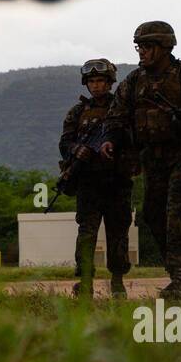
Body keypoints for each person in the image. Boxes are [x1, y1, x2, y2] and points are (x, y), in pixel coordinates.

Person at [102, 22, 181, 299]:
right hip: (152, 159)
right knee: (152, 214)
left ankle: (180, 279)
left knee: (177, 210)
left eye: (147, 47)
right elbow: (116, 115)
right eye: (139, 46)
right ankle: (175, 276)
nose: (142, 52)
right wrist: (110, 138)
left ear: (164, 47)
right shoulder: (134, 81)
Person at [58, 59, 135, 299]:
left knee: (118, 233)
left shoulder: (122, 109)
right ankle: (85, 282)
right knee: (87, 233)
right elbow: (64, 142)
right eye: (92, 81)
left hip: (117, 181)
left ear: (110, 82)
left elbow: (135, 139)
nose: (97, 86)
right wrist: (75, 150)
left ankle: (117, 282)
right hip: (88, 181)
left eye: (101, 80)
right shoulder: (78, 112)